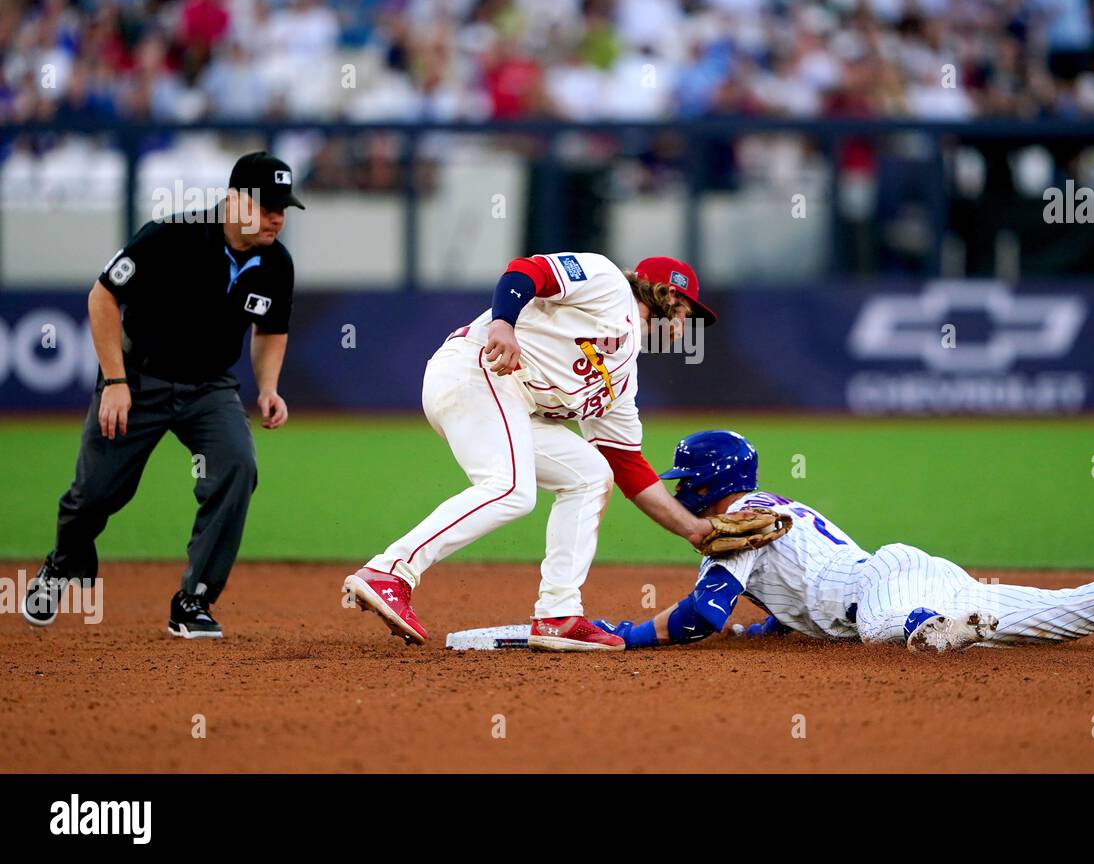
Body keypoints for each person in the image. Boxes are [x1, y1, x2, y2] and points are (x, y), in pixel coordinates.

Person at [594, 430, 1094, 653]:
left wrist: (628, 633)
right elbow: (792, 593)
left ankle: (937, 628)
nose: (677, 490)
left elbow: (700, 618)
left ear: (711, 480)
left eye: (686, 478)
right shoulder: (773, 508)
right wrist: (768, 629)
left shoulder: (738, 522)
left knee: (886, 631)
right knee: (1065, 613)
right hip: (916, 572)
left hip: (891, 591)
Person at [343, 253, 720, 651]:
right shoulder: (607, 282)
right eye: (685, 310)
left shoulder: (622, 381)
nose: (684, 325)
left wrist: (694, 529)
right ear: (666, 296)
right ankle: (390, 572)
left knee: (591, 475)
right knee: (511, 489)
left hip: (509, 400)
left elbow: (628, 466)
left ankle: (558, 614)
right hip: (477, 368)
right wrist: (504, 322)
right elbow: (529, 270)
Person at [22, 151, 302, 639]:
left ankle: (194, 598)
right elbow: (103, 296)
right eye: (267, 205)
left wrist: (269, 386)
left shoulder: (276, 263)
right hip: (139, 379)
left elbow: (271, 328)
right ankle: (62, 564)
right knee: (94, 495)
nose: (277, 216)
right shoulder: (171, 236)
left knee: (236, 466)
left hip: (210, 387)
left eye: (284, 206)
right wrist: (114, 382)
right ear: (234, 201)